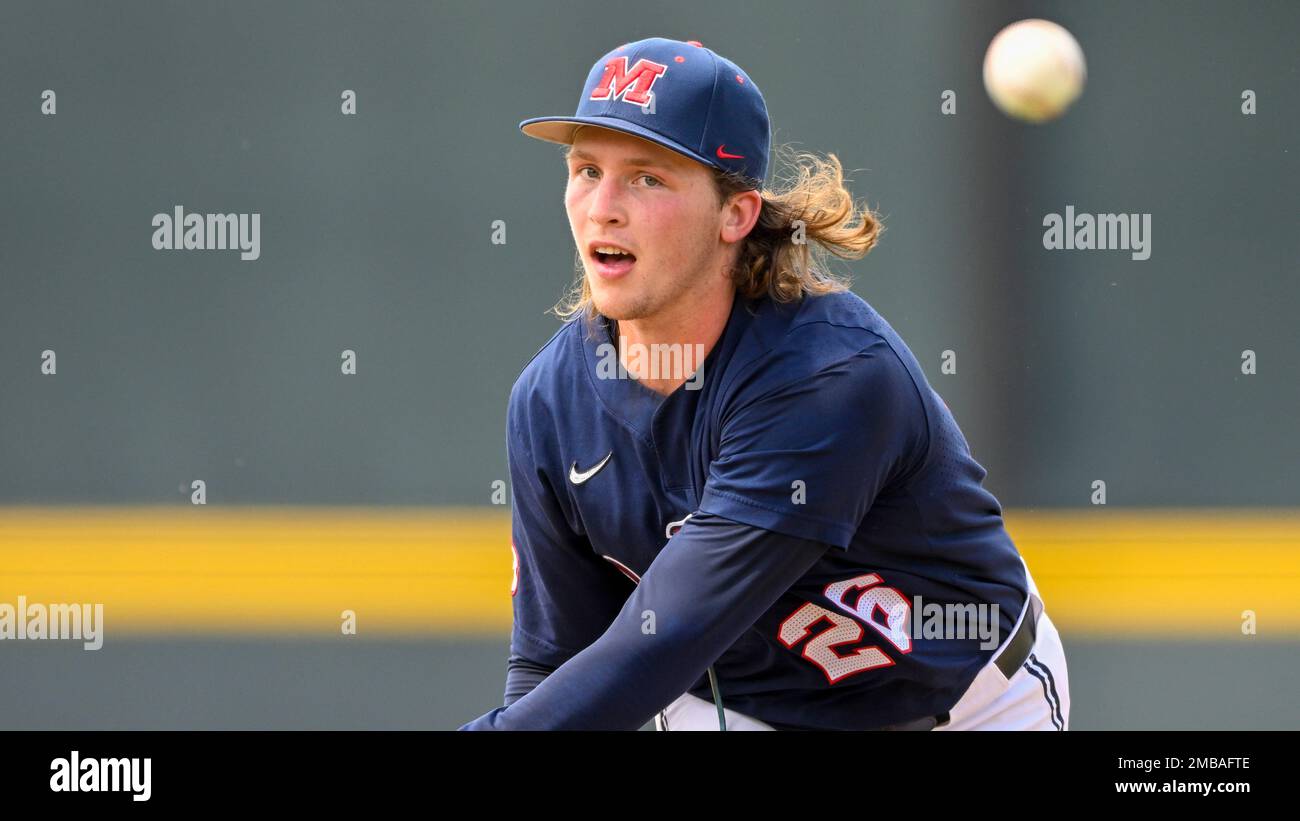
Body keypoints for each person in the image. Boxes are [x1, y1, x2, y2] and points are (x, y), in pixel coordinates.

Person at [459, 36, 1069, 731]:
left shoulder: (828, 378)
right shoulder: (550, 404)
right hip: (739, 711)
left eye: (647, 177)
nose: (602, 206)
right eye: (586, 169)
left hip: (963, 706)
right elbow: (554, 662)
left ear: (736, 214)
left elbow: (663, 642)